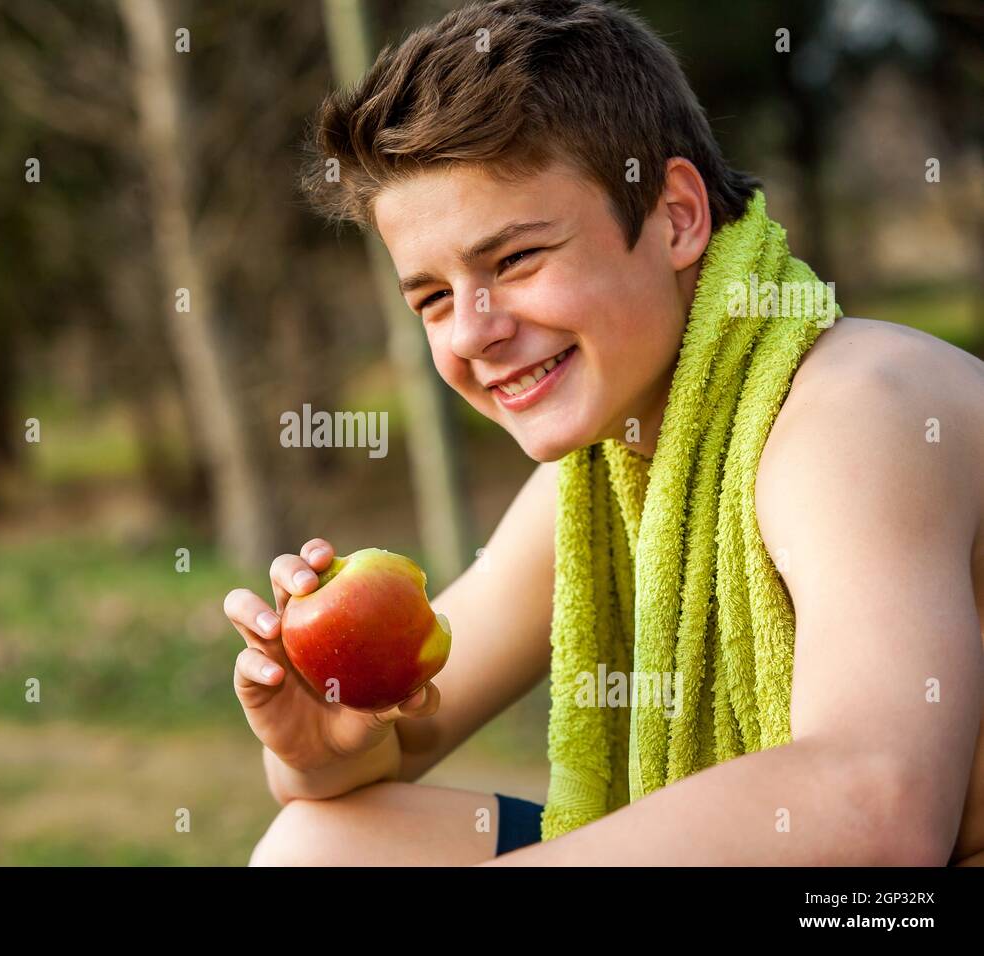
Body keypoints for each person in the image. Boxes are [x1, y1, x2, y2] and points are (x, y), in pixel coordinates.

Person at [222, 0, 984, 865]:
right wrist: (323, 747)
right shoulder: (607, 469)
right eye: (432, 297)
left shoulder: (858, 412)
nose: (471, 332)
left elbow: (878, 809)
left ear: (677, 217)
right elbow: (398, 747)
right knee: (322, 846)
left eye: (513, 261)